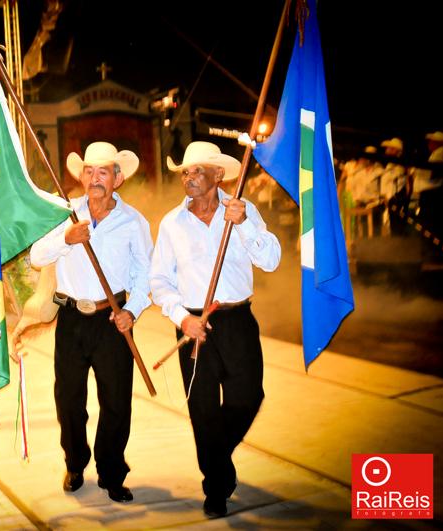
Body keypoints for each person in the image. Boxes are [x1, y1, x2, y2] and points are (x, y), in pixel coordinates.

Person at [150, 142, 281, 518]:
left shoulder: (242, 210)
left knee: (248, 397)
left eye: (196, 171)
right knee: (202, 409)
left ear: (218, 175)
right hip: (193, 324)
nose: (188, 178)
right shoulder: (172, 223)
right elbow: (159, 280)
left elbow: (270, 260)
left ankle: (215, 455)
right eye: (185, 173)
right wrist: (182, 318)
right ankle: (217, 488)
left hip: (237, 320)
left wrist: (242, 225)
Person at [30, 141, 153, 503]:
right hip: (70, 318)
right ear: (81, 176)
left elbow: (145, 274)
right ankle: (74, 462)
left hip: (111, 319)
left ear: (117, 178)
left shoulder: (134, 222)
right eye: (89, 171)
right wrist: (66, 239)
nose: (95, 178)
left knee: (116, 400)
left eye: (104, 172)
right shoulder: (65, 213)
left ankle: (112, 472)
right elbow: (37, 256)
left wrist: (133, 311)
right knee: (68, 399)